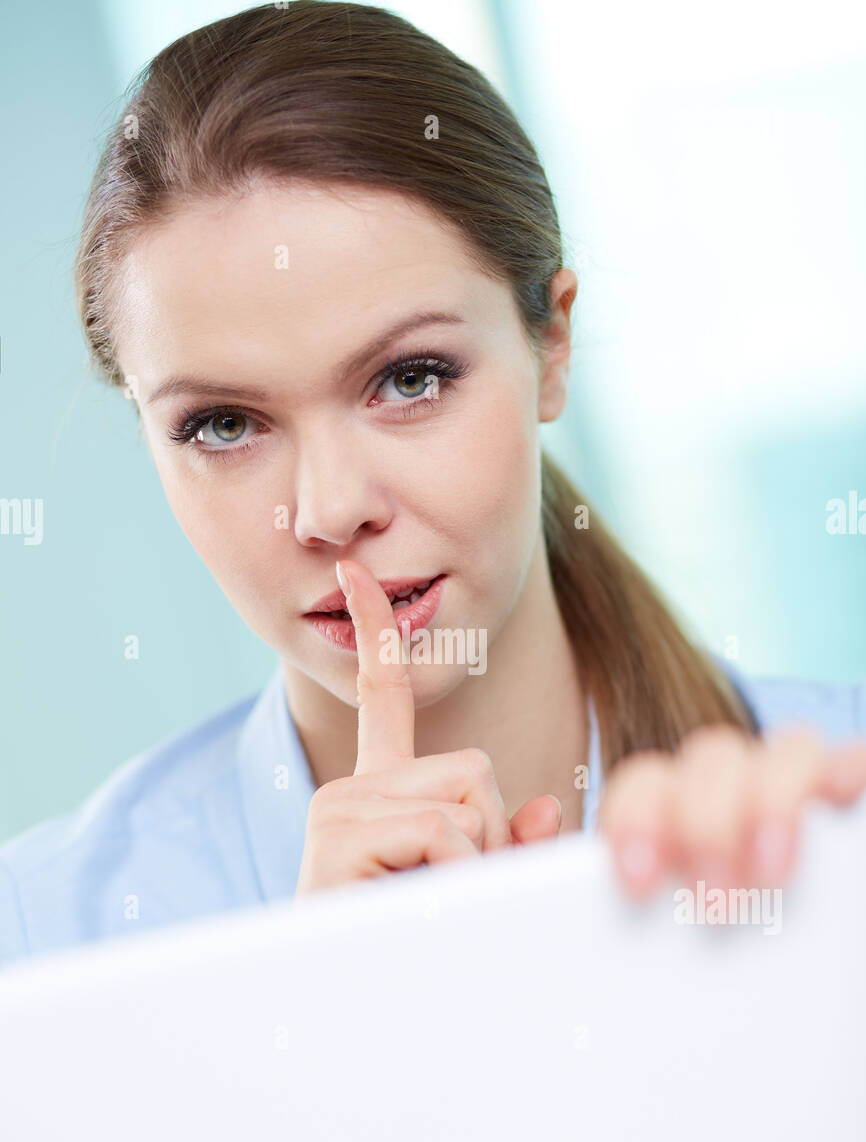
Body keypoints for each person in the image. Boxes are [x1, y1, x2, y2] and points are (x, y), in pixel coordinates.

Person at [1, 1, 864, 964]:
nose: (329, 510)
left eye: (410, 379)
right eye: (224, 424)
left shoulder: (840, 812)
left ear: (552, 342)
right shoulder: (43, 943)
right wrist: (313, 1026)